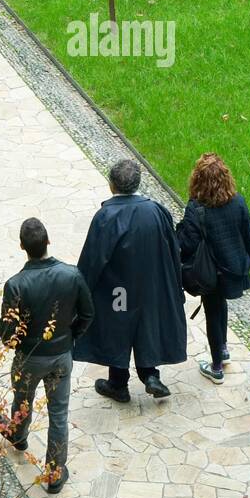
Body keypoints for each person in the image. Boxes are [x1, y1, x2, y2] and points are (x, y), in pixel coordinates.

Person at [75, 158, 186, 402]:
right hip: (152, 286)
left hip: (118, 291)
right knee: (147, 326)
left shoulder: (106, 216)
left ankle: (117, 384)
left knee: (118, 329)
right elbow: (172, 250)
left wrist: (79, 291)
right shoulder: (157, 211)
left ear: (112, 185)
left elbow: (93, 259)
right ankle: (151, 376)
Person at [0, 217, 94, 494]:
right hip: (61, 356)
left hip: (29, 358)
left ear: (21, 246)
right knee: (59, 414)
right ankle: (54, 473)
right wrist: (69, 336)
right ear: (48, 241)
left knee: (22, 399)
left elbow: (7, 331)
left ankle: (18, 435)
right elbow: (88, 314)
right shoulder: (72, 275)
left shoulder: (15, 284)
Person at [177, 153, 250, 385]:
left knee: (213, 314)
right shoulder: (238, 202)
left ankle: (217, 367)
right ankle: (223, 348)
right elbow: (247, 237)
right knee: (221, 306)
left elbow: (185, 244)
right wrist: (245, 263)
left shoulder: (196, 209)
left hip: (210, 274)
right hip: (233, 269)